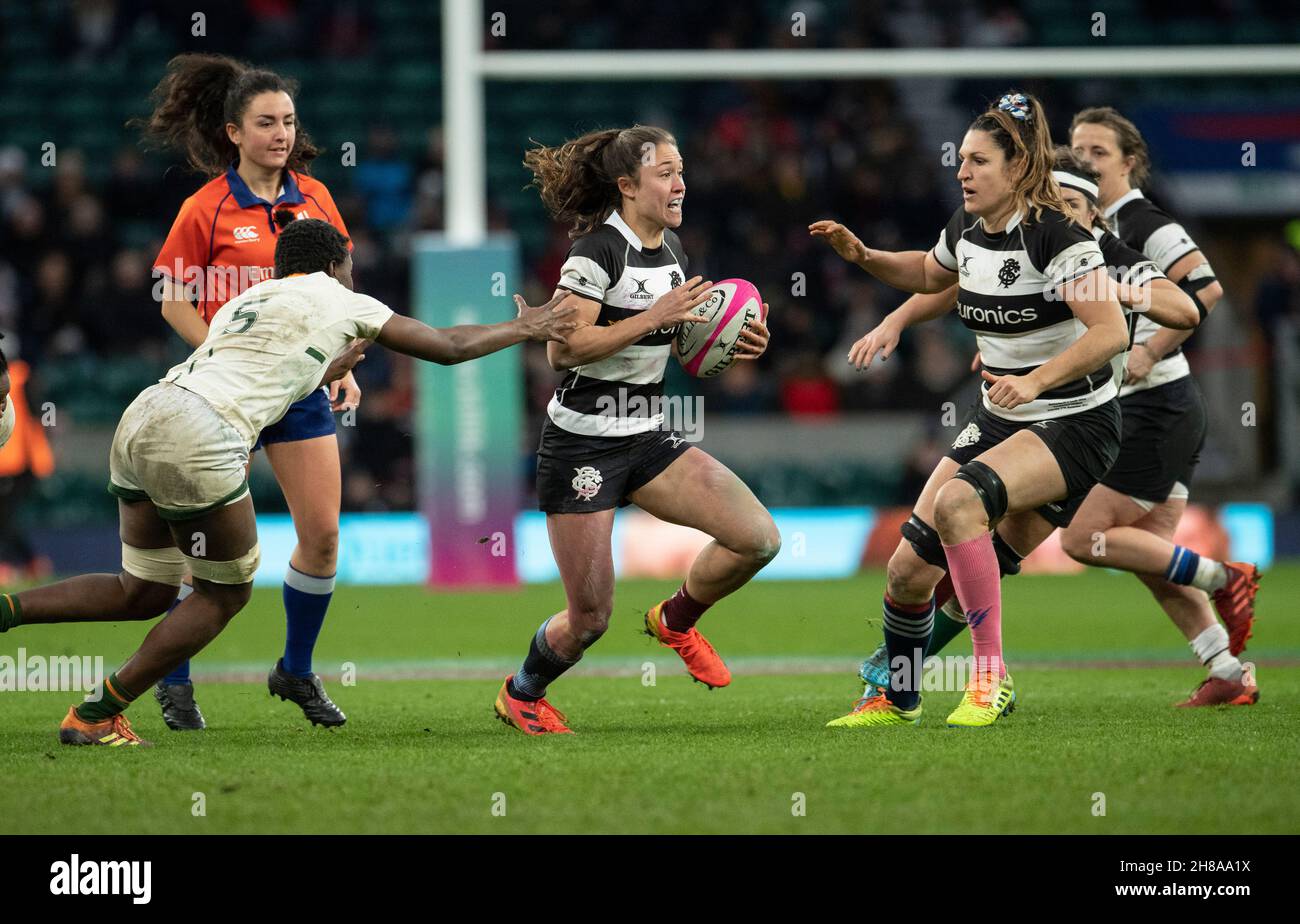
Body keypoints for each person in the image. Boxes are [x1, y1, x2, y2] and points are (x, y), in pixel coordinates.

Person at [0, 216, 577, 747]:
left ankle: (9, 610)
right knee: (224, 594)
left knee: (142, 590)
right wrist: (524, 326)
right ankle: (96, 714)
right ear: (337, 263)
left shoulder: (245, 302)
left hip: (146, 413)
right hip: (200, 432)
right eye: (349, 265)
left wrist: (331, 371)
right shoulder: (343, 298)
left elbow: (269, 386)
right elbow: (449, 348)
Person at [834, 147, 1256, 721]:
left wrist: (1114, 295)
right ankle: (1225, 654)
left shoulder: (1107, 255)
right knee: (917, 565)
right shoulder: (1027, 242)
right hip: (1009, 419)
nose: (1061, 209)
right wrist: (897, 318)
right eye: (1055, 199)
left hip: (1091, 422)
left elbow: (1184, 306)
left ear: (1095, 210)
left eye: (1075, 202)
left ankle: (940, 675)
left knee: (1053, 541)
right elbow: (951, 281)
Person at [810, 93, 1130, 728]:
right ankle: (896, 699)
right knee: (905, 572)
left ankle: (990, 680)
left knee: (960, 504)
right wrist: (866, 257)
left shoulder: (1058, 237)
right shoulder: (965, 230)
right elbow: (931, 276)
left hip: (1074, 421)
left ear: (1016, 169)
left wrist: (1036, 380)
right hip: (1001, 418)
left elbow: (1110, 332)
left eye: (979, 162)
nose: (963, 172)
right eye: (960, 160)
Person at [493, 125, 778, 735]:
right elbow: (563, 352)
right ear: (627, 185)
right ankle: (521, 693)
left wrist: (730, 340)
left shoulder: (671, 251)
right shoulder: (596, 253)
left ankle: (675, 619)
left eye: (681, 171)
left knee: (757, 539)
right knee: (591, 617)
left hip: (647, 435)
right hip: (582, 444)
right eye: (666, 173)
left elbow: (669, 344)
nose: (680, 184)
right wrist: (656, 317)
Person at [140, 53, 357, 729]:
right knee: (203, 552)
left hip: (297, 394)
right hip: (224, 400)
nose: (281, 134)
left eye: (288, 121)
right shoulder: (204, 209)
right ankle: (173, 681)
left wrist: (342, 364)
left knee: (321, 538)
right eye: (266, 122)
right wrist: (225, 354)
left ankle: (294, 670)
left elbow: (338, 293)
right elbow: (172, 298)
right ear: (234, 131)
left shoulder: (315, 198)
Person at [1067, 107, 1259, 706]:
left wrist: (1150, 348)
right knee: (1153, 559)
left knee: (1083, 539)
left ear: (1130, 162)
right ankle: (1228, 672)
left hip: (1156, 404)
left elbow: (1206, 290)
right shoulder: (1083, 224)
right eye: (1078, 152)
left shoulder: (1143, 222)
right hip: (1161, 407)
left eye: (1099, 152)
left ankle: (1226, 577)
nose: (1086, 162)